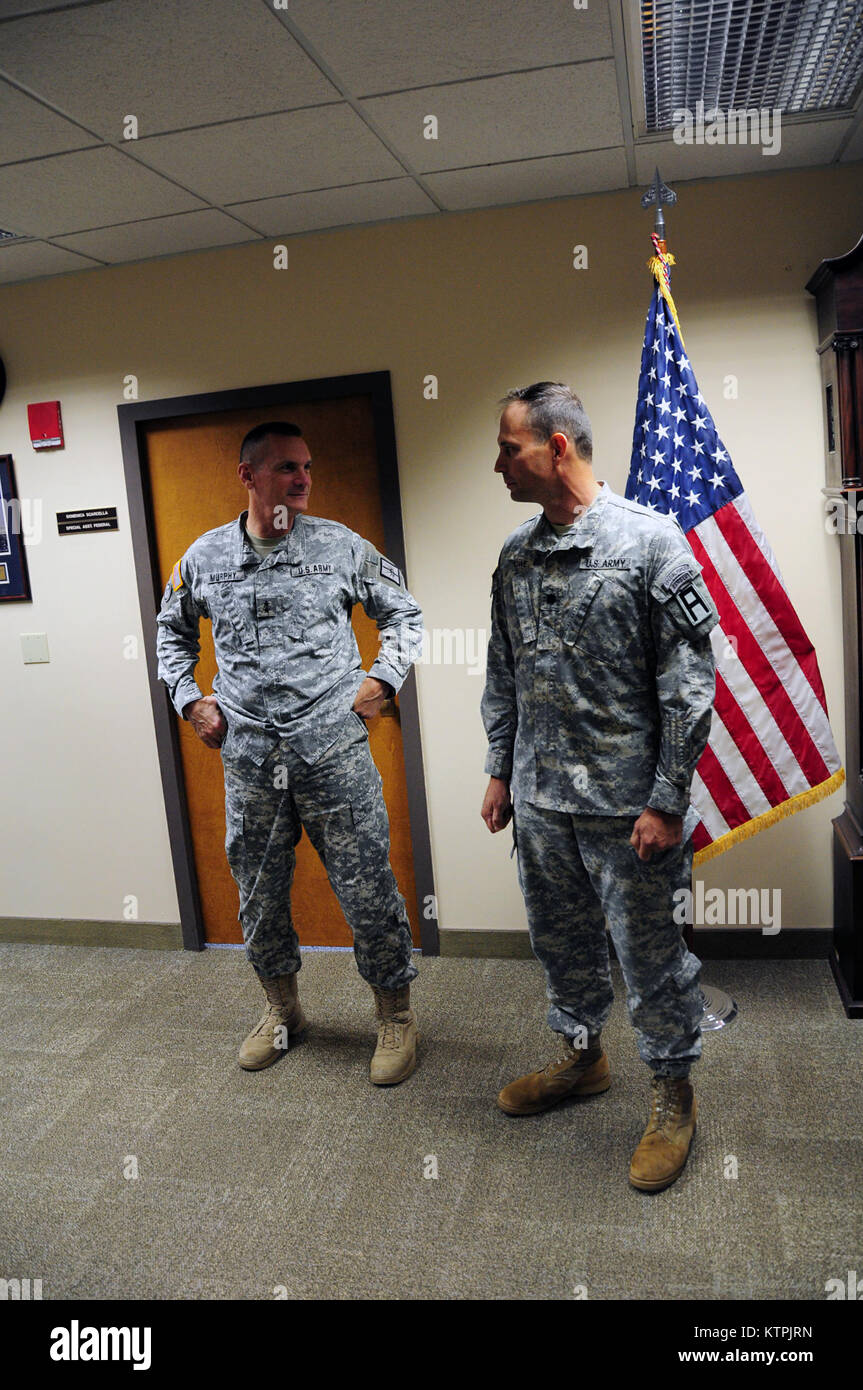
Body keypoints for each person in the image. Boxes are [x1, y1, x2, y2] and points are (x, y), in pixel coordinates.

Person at [480, 382, 718, 1191]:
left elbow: (688, 690)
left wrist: (665, 800)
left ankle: (672, 1096)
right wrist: (497, 768)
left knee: (652, 962)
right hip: (541, 802)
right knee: (563, 949)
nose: (497, 465)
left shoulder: (652, 546)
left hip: (627, 812)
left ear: (555, 448)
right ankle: (582, 1061)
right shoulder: (515, 554)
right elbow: (503, 670)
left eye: (508, 448)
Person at [156, 421, 423, 1085]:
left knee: (367, 891)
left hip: (332, 753)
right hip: (248, 760)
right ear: (247, 476)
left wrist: (380, 680)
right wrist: (190, 700)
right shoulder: (203, 558)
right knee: (260, 896)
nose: (302, 478)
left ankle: (394, 1016)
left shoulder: (340, 547)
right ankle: (282, 1012)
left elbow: (405, 618)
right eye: (284, 468)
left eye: (306, 467)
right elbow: (170, 637)